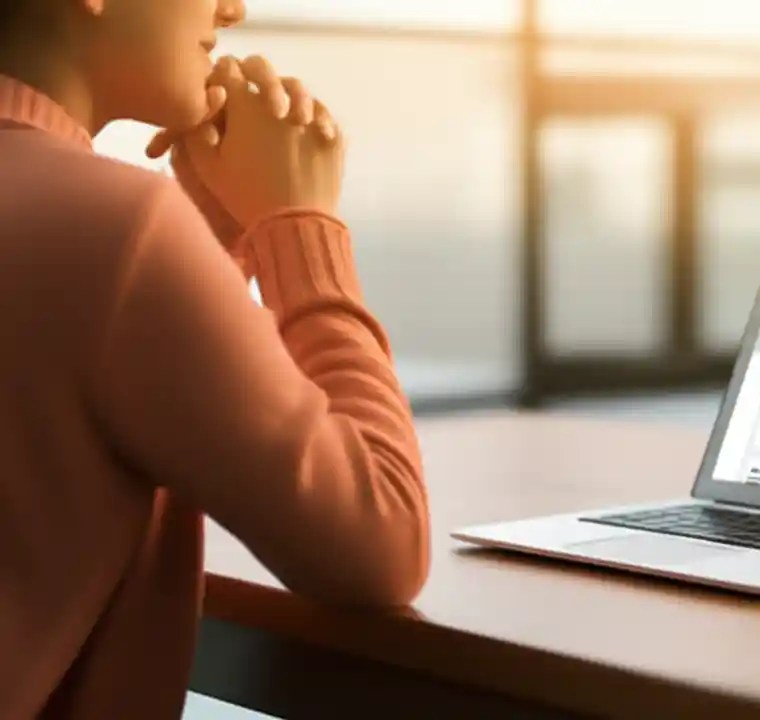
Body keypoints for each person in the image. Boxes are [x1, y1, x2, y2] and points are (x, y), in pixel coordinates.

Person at [0, 0, 430, 717]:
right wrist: (300, 229)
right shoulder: (119, 228)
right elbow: (382, 541)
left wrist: (206, 245)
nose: (233, 9)